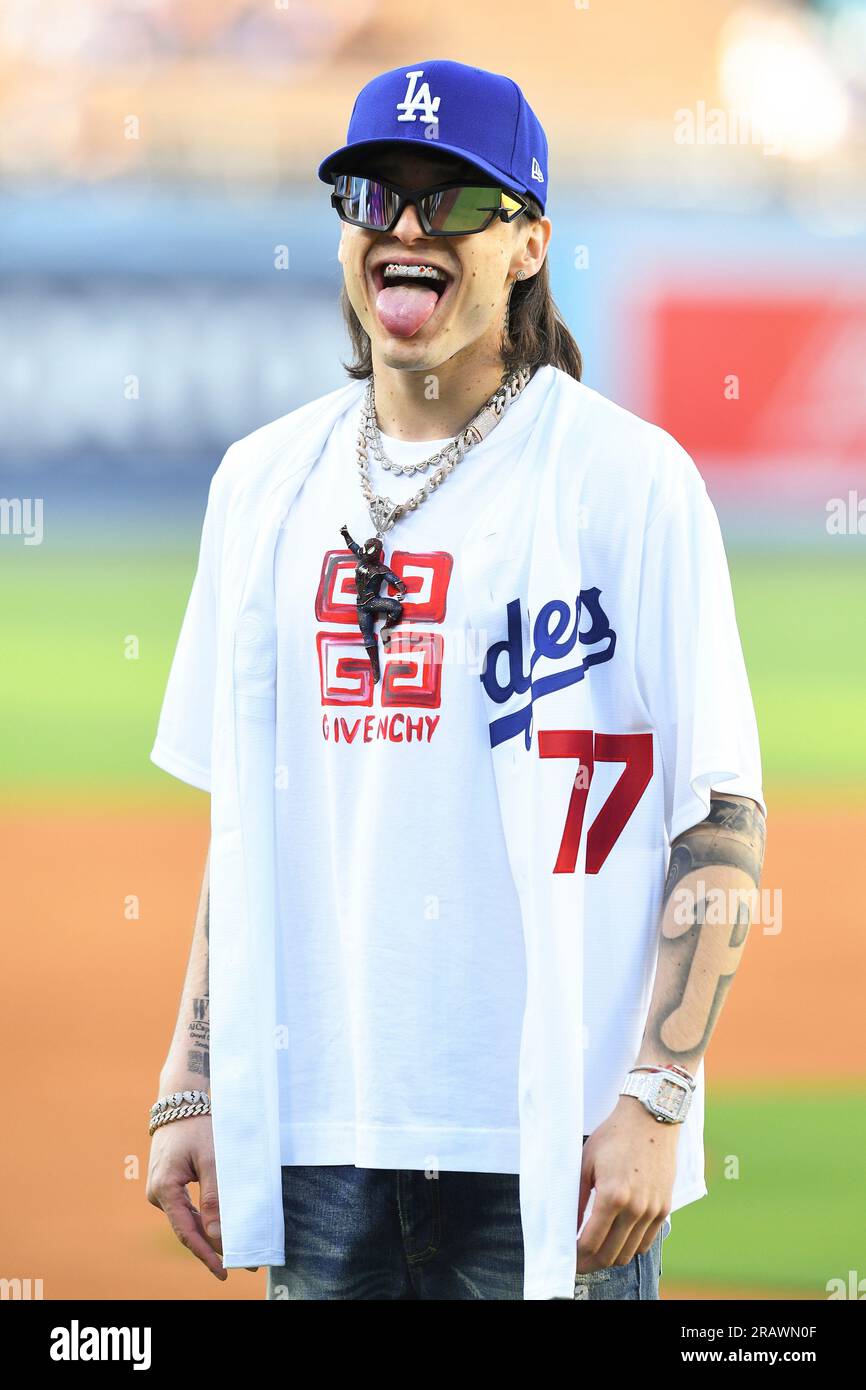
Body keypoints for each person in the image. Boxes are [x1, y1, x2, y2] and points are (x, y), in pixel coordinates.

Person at [146, 59, 766, 1301]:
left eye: (458, 201)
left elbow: (720, 820)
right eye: (377, 193)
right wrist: (193, 1076)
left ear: (528, 242)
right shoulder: (258, 487)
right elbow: (247, 826)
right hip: (321, 1135)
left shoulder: (627, 483)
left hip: (552, 1144)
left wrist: (656, 1094)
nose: (408, 227)